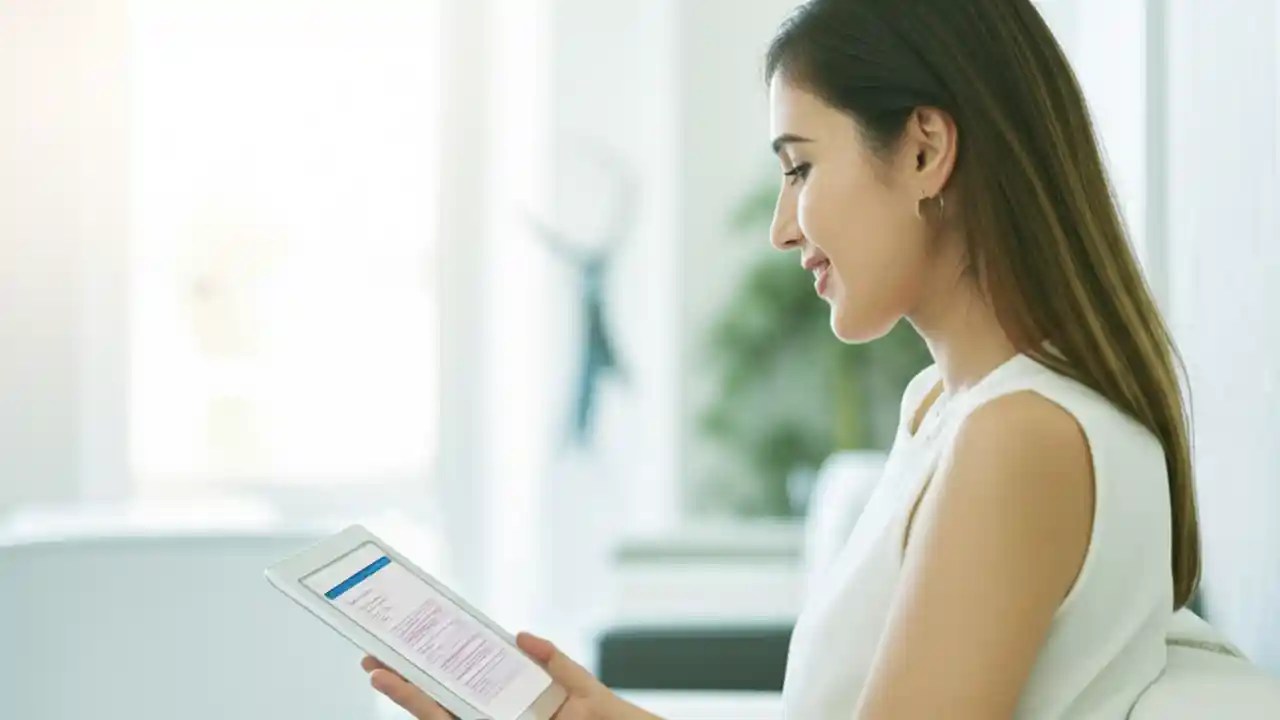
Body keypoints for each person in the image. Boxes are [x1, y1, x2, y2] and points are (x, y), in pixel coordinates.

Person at [361, 0, 1199, 716]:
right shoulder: (944, 409)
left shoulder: (1020, 439)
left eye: (800, 167)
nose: (782, 226)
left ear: (923, 149)